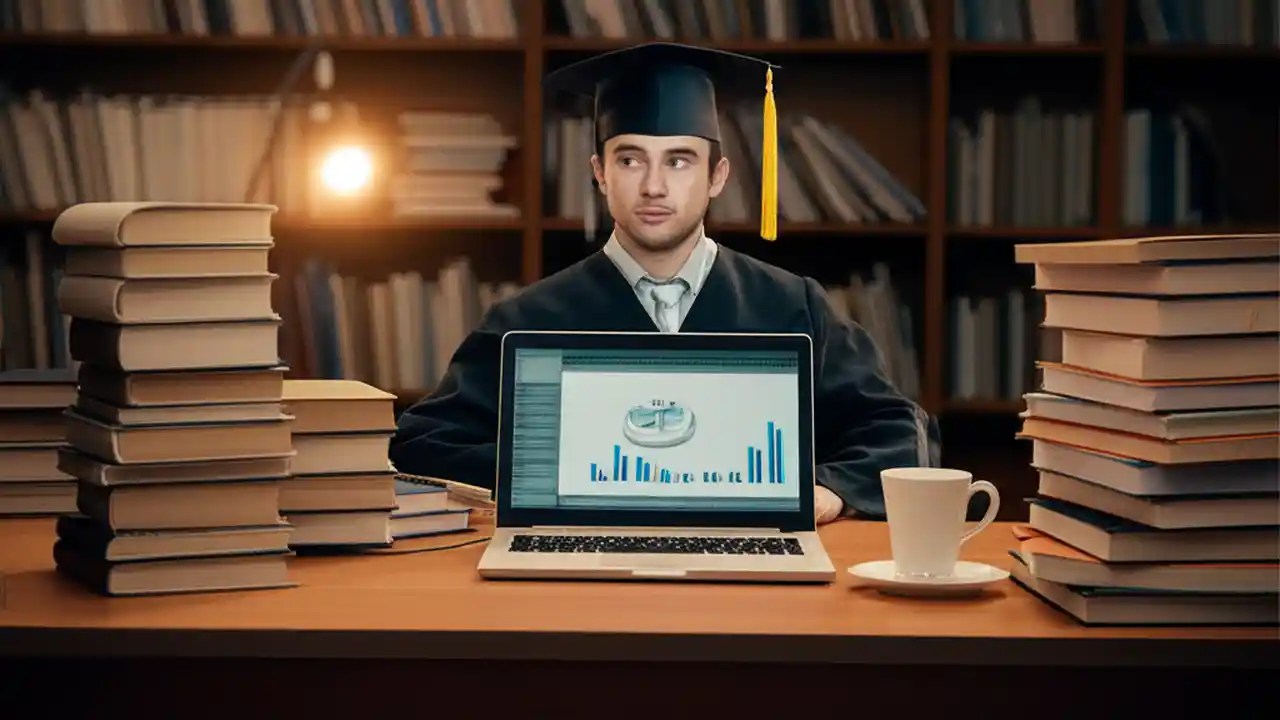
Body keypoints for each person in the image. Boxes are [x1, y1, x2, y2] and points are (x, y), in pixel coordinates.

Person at [391, 42, 939, 523]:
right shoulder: (529, 319)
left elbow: (899, 431)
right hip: (583, 569)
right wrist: (562, 474)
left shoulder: (792, 306)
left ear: (717, 176)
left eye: (679, 161)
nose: (654, 186)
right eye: (630, 159)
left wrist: (832, 491)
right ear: (600, 172)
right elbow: (423, 444)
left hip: (753, 580)